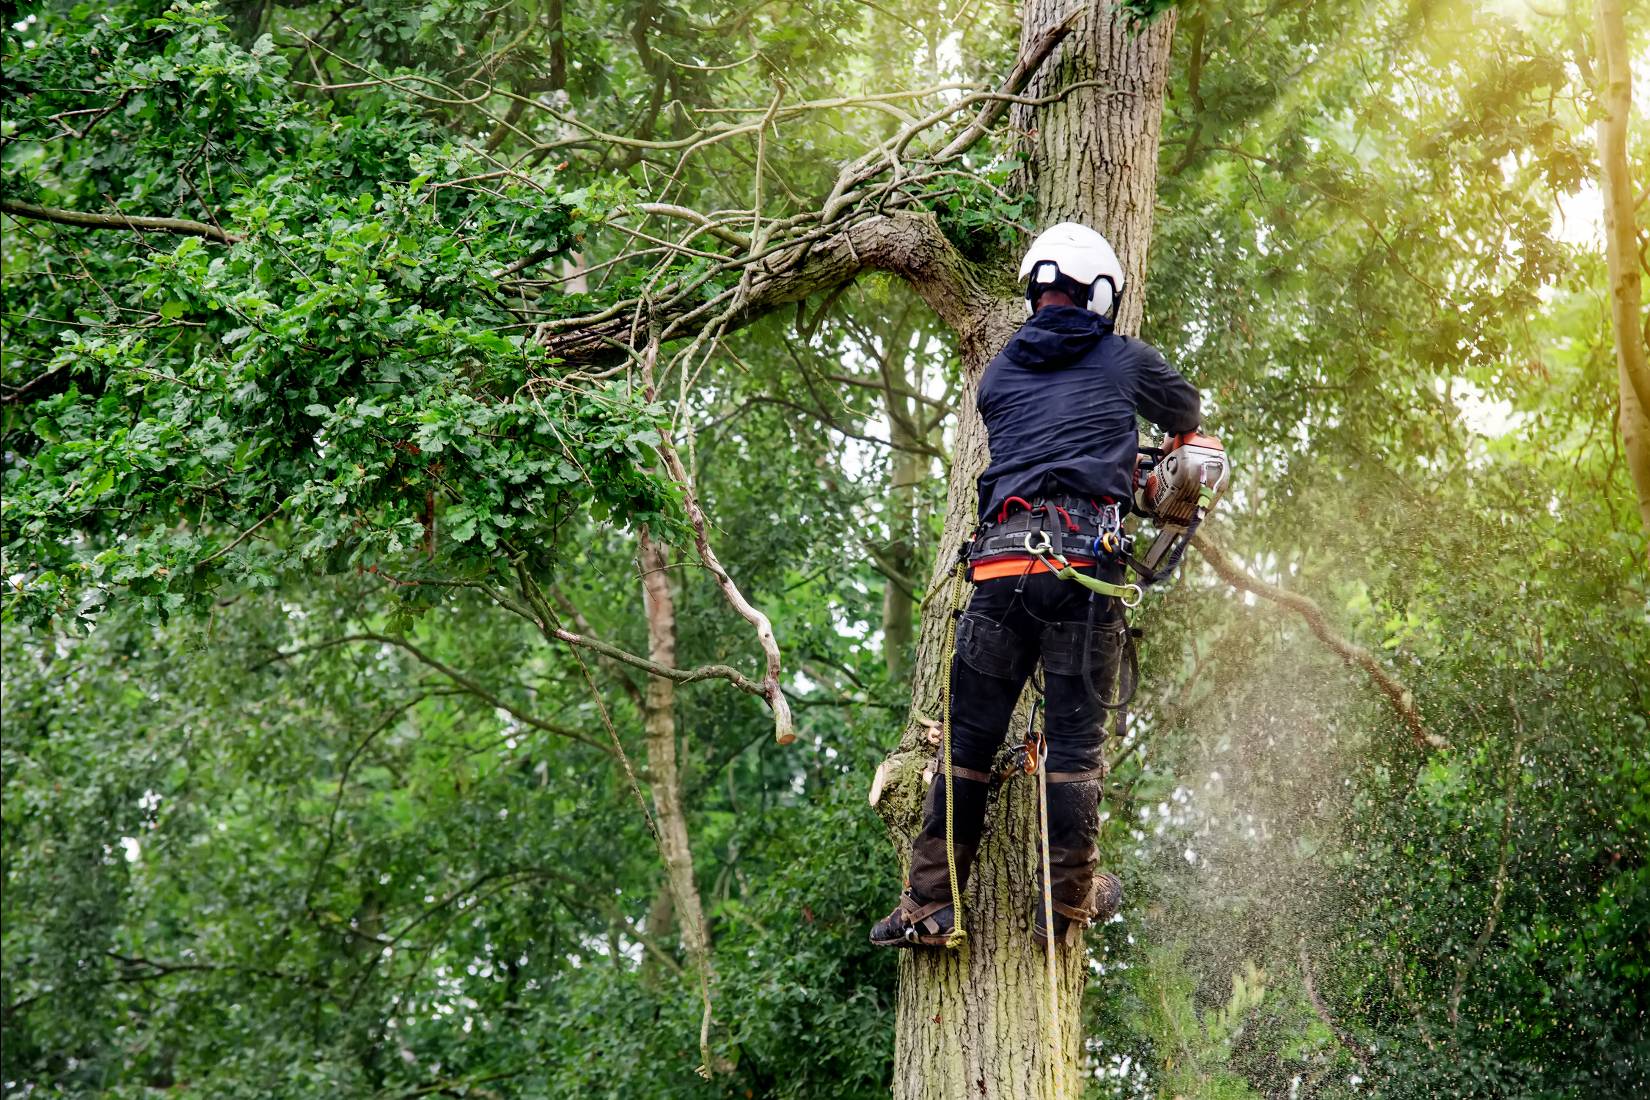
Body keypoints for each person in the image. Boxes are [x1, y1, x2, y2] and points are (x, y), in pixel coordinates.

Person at [870, 222, 1202, 949]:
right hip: (1083, 575)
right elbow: (1187, 412)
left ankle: (931, 906)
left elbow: (1045, 432)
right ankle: (1064, 904)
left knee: (967, 746)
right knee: (1077, 747)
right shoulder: (1122, 359)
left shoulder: (997, 373)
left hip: (999, 570)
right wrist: (1154, 467)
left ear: (1034, 288)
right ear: (1103, 292)